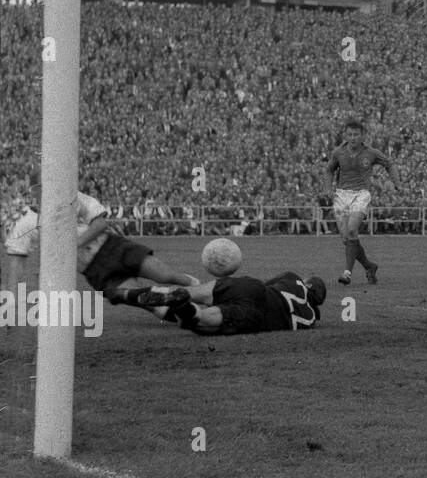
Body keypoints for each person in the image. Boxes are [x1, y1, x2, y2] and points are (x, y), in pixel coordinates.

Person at [11, 176, 199, 302]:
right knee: (145, 300)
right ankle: (190, 313)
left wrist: (73, 245)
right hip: (94, 270)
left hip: (112, 247)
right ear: (33, 191)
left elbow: (101, 224)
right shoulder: (27, 222)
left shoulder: (72, 198)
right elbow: (17, 260)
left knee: (166, 275)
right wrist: (13, 299)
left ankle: (200, 291)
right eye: (41, 187)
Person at [121, 271, 326, 335]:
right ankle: (189, 310)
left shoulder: (293, 278)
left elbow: (267, 284)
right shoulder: (310, 320)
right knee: (203, 319)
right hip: (260, 317)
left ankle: (179, 295)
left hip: (254, 289)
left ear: (307, 284)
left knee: (195, 292)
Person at [323, 120, 397, 285]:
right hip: (341, 195)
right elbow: (329, 170)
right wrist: (327, 188)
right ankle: (369, 266)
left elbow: (389, 164)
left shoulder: (371, 153)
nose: (352, 137)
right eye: (349, 134)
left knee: (351, 229)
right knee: (347, 239)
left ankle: (347, 273)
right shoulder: (338, 152)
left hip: (361, 194)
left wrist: (396, 182)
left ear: (363, 136)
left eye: (356, 134)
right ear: (346, 135)